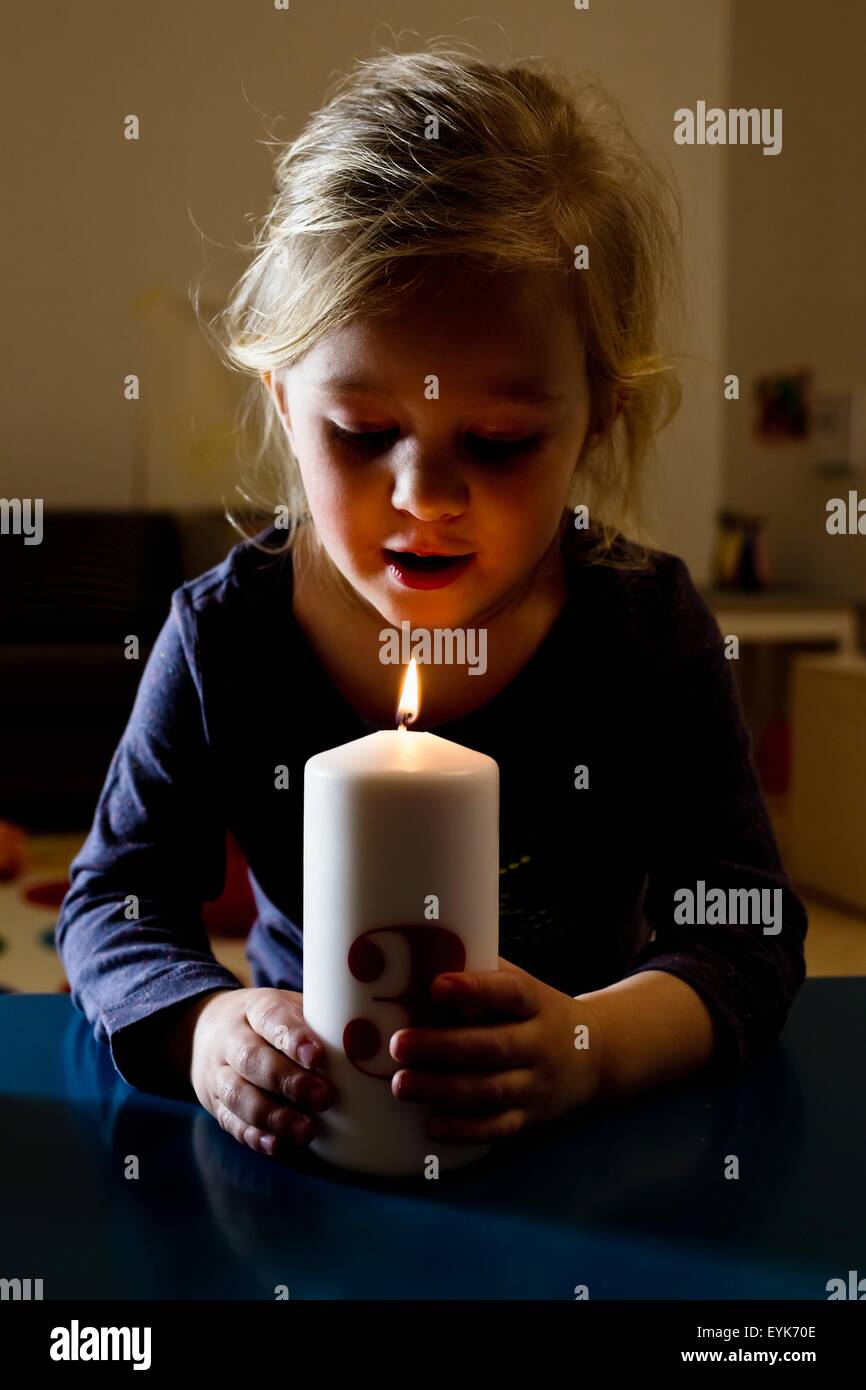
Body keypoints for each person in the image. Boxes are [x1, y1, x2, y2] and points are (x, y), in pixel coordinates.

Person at [55, 45, 807, 1163]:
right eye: (362, 433)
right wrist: (209, 1030)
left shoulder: (643, 633)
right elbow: (114, 903)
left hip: (585, 1158)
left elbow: (743, 932)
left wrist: (593, 1043)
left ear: (595, 417)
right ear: (281, 395)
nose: (422, 500)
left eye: (499, 443)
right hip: (309, 1145)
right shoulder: (225, 636)